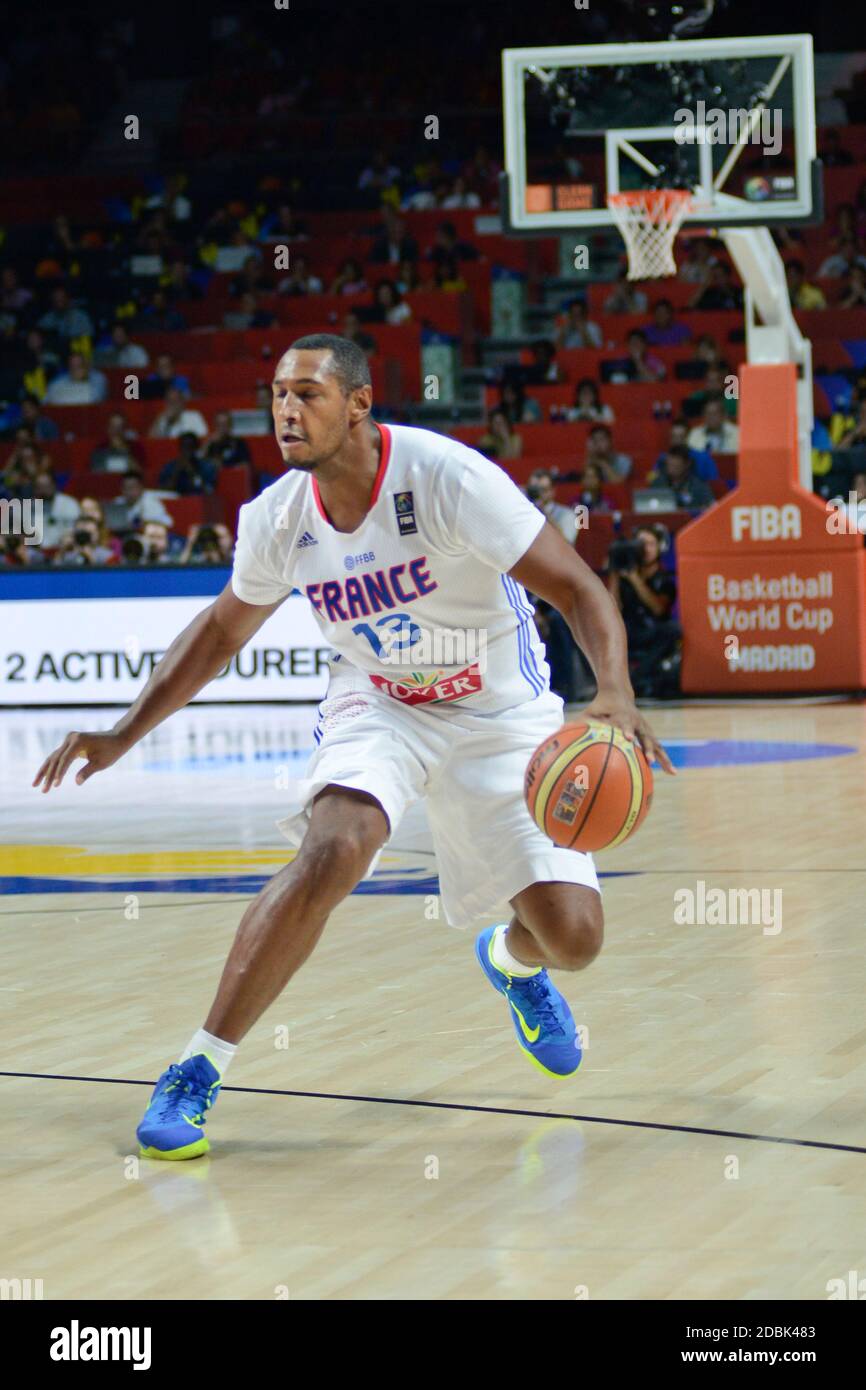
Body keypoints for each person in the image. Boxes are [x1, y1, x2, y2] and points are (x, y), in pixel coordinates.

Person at [33, 332, 673, 1160]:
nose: (287, 411)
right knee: (335, 846)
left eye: (307, 394)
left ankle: (513, 964)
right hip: (381, 703)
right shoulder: (277, 519)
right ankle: (197, 1068)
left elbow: (578, 588)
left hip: (498, 715)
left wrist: (614, 691)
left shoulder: (450, 480)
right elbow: (222, 631)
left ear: (360, 404)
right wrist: (124, 732)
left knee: (575, 940)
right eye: (276, 396)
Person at [606, 526, 680, 699]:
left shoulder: (665, 580)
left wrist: (635, 580)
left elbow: (659, 609)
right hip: (628, 630)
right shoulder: (623, 575)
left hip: (654, 631)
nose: (645, 549)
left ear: (659, 548)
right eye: (641, 544)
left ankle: (635, 680)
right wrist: (615, 576)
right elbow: (613, 609)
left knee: (673, 630)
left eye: (651, 544)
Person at [649, 444, 714, 510]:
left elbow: (710, 506)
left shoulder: (698, 485)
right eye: (669, 465)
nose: (672, 469)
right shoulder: (658, 483)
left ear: (687, 464)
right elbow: (648, 505)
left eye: (675, 467)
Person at [525, 468, 577, 543]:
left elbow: (568, 544)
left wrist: (543, 511)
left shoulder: (568, 514)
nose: (538, 494)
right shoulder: (525, 513)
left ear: (552, 491)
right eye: (534, 490)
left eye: (543, 490)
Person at [31, 471, 81, 549]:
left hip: (64, 549)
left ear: (54, 485)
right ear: (35, 489)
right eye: (40, 487)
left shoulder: (69, 504)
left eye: (46, 486)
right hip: (37, 551)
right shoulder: (30, 508)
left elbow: (75, 530)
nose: (43, 490)